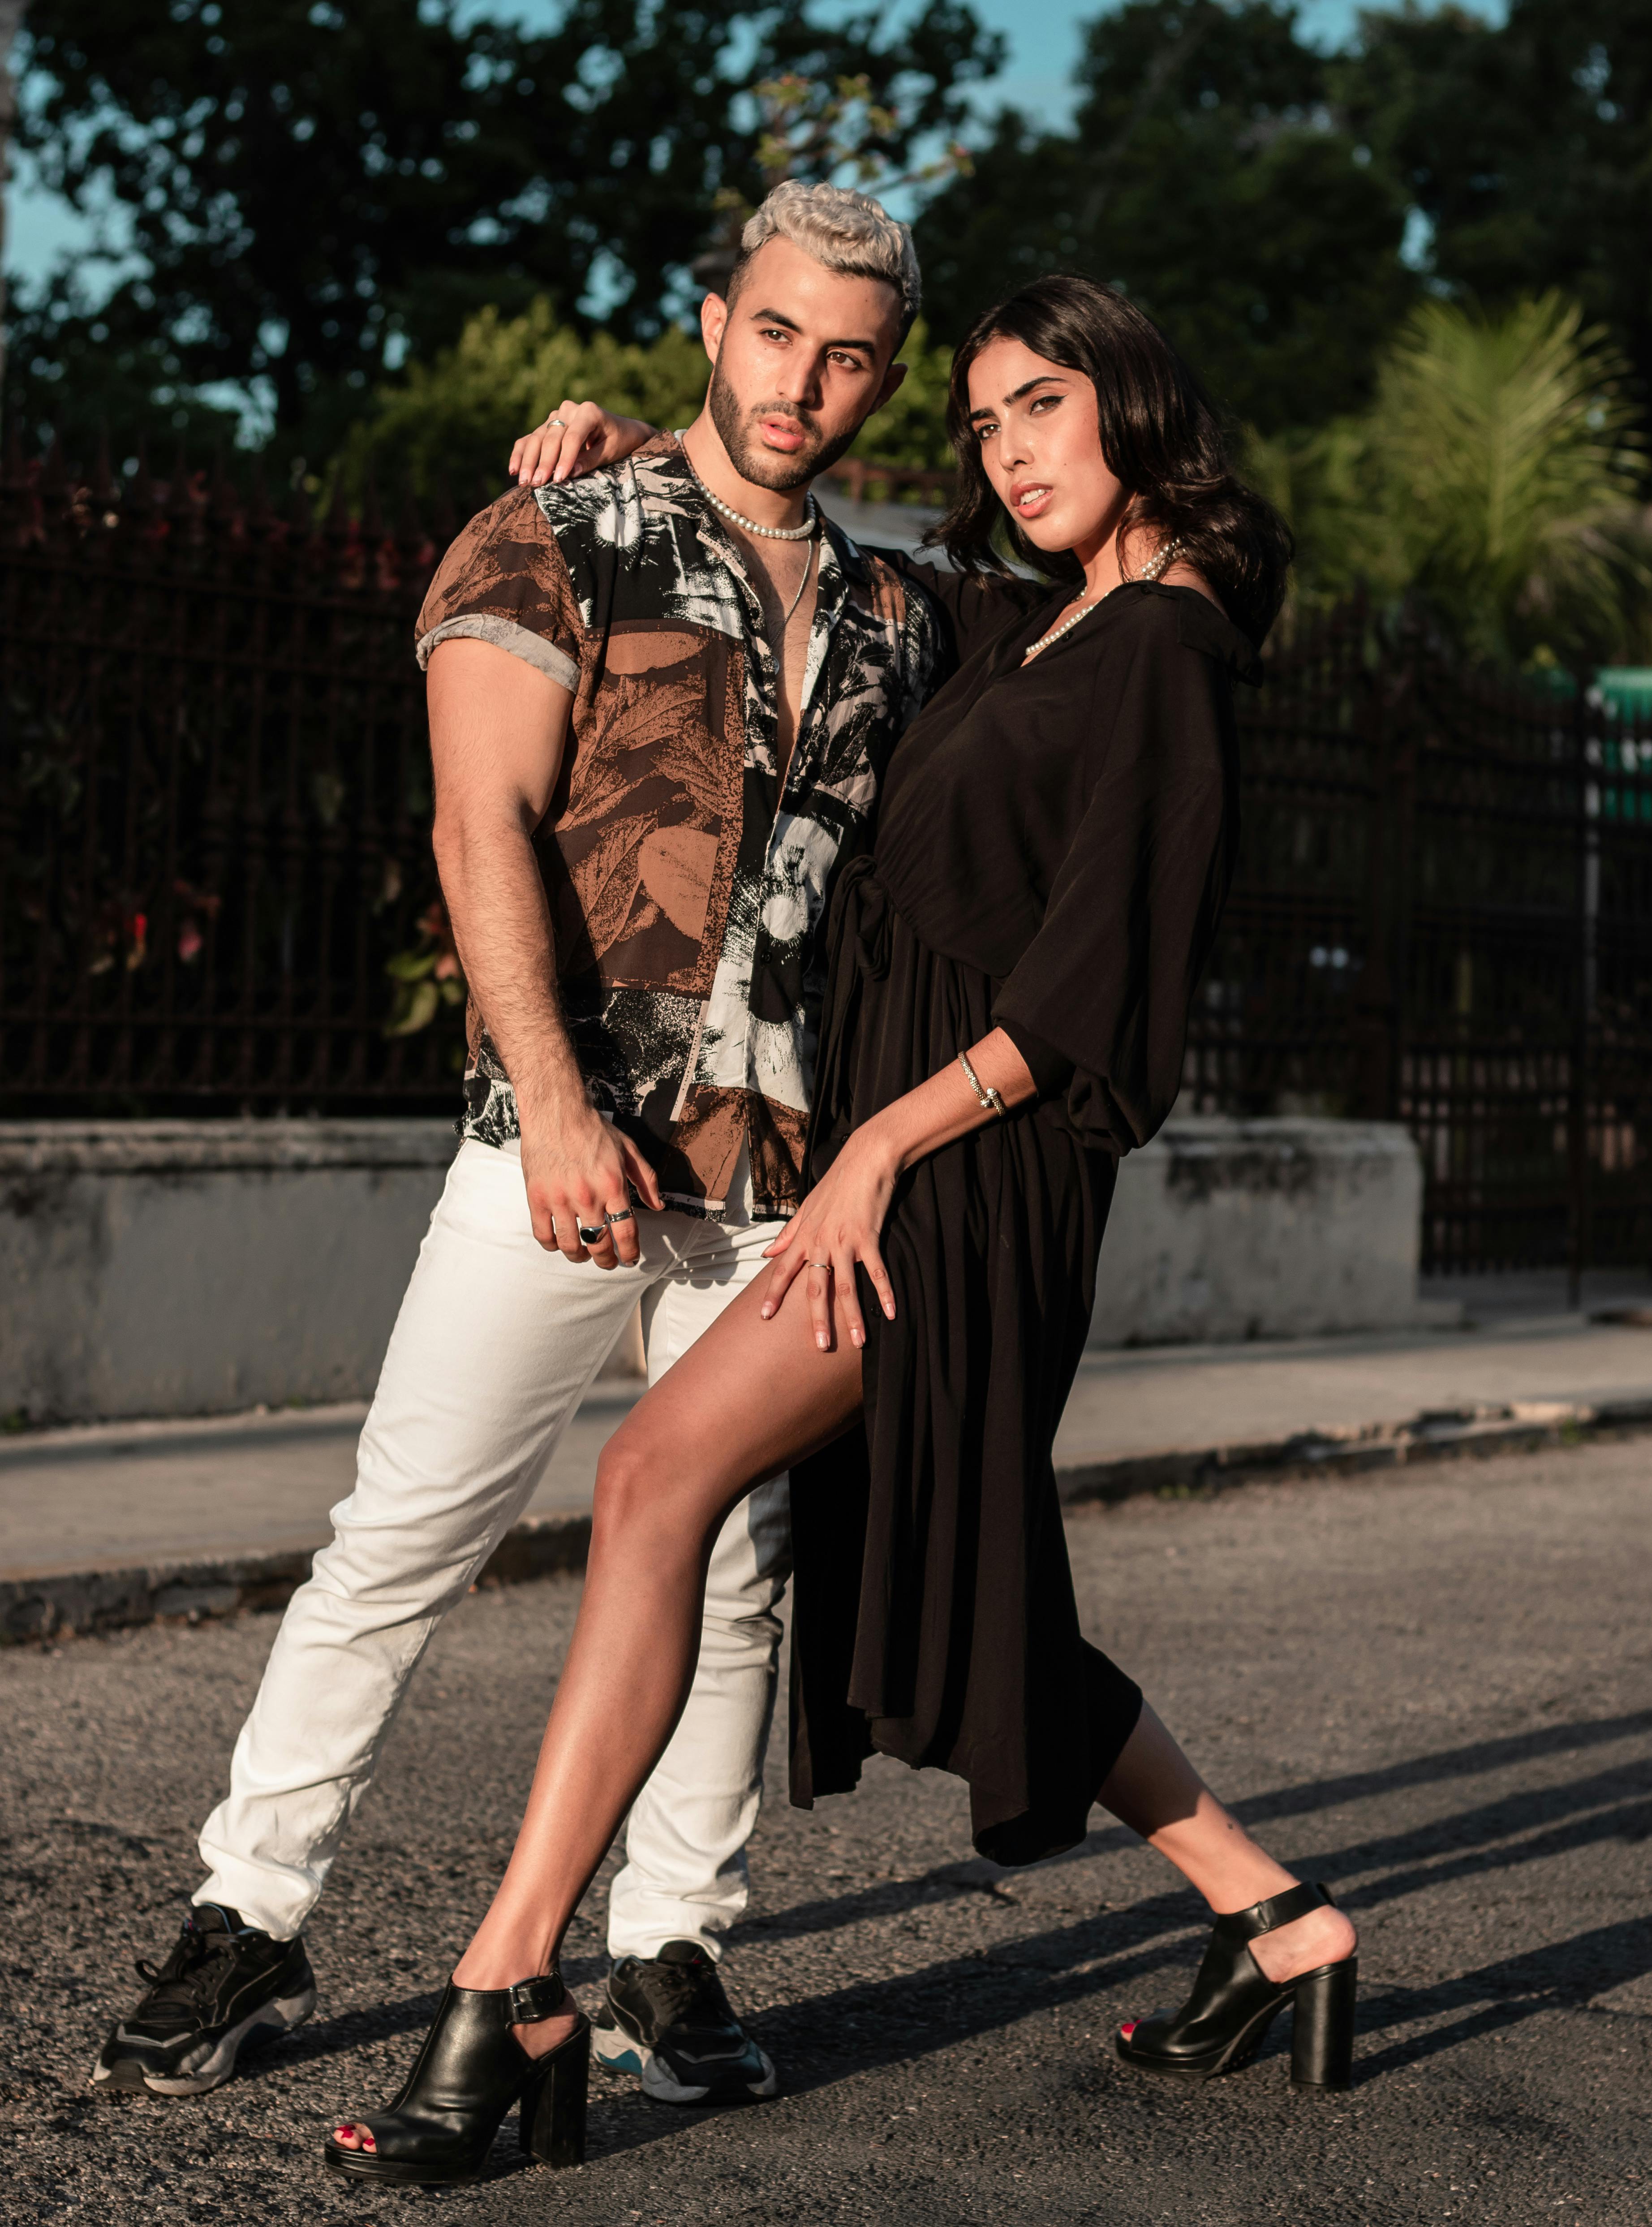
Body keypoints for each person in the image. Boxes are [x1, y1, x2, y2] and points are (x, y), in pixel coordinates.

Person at [322, 274, 1359, 2190]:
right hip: (901, 1174)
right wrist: (653, 455)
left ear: (1135, 400)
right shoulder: (1042, 624)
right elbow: (816, 559)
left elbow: (1094, 1002)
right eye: (980, 424)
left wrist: (878, 1143)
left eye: (1043, 405)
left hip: (962, 1185)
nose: (1011, 452)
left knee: (649, 1484)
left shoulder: (1164, 653)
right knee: (966, 1589)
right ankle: (1276, 1916)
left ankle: (507, 1989)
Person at [93, 181, 951, 2113]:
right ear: (712, 319)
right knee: (403, 1538)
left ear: (880, 370)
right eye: (773, 333)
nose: (803, 380)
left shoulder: (907, 608)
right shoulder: (554, 532)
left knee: (734, 1565)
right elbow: (479, 826)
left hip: (783, 1172)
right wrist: (554, 1100)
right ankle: (251, 1905)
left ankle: (672, 1939)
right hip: (562, 1145)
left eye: (847, 353)